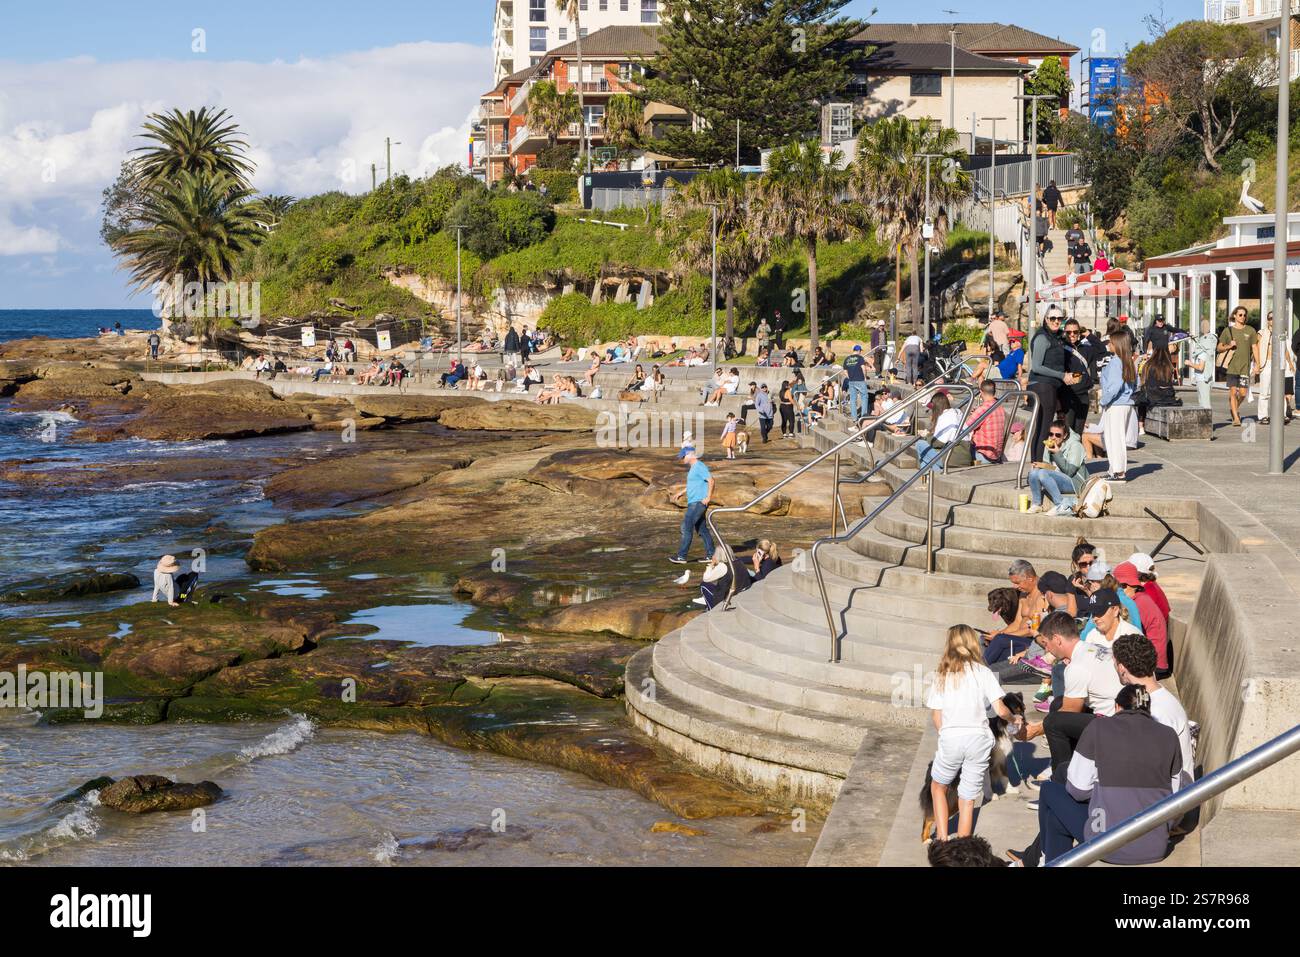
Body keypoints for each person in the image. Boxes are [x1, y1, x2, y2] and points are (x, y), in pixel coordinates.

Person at [1014, 683, 1183, 866]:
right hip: (1155, 845)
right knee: (1058, 814)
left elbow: (1078, 789)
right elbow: (1175, 795)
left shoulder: (1099, 727)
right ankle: (1041, 859)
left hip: (1107, 844)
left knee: (1049, 790)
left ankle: (1042, 858)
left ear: (1117, 707)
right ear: (1147, 710)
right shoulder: (1169, 735)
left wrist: (1102, 792)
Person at [924, 625, 1018, 840]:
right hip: (979, 738)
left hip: (952, 738)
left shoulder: (942, 675)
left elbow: (937, 718)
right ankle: (964, 846)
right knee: (967, 798)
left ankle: (943, 839)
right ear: (973, 644)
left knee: (939, 786)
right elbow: (1001, 710)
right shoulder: (984, 672)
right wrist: (1015, 719)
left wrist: (946, 737)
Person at [1018, 611, 1123, 784]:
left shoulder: (1077, 666)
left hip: (1115, 727)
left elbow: (1068, 714)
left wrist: (1035, 730)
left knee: (1054, 722)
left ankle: (1062, 784)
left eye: (1046, 643)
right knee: (1057, 704)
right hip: (1121, 716)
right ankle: (1075, 765)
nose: (1046, 649)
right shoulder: (1092, 648)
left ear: (1057, 639)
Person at [1113, 634, 1195, 786]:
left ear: (1122, 668)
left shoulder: (1156, 712)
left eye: (1115, 663)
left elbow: (1147, 768)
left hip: (1164, 800)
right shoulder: (1160, 699)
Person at [1027, 310, 1080, 462]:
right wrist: (1062, 376)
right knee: (1044, 428)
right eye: (1053, 318)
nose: (1056, 321)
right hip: (1042, 386)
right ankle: (1037, 464)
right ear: (1046, 319)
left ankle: (1037, 463)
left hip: (1050, 386)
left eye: (1059, 318)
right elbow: (1036, 366)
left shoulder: (1056, 337)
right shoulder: (1042, 338)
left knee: (1043, 427)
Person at [1112, 561, 1169, 676]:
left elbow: (1129, 633)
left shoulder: (1138, 603)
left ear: (1126, 586)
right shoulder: (1141, 597)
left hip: (1154, 665)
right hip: (1155, 660)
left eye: (1118, 587)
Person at [1098, 326, 1137, 482]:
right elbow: (1137, 384)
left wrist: (1104, 400)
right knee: (1117, 438)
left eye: (1111, 342)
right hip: (1126, 403)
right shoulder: (1129, 362)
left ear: (1117, 344)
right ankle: (1114, 470)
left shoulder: (1115, 362)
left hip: (1115, 404)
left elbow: (1114, 386)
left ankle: (1118, 472)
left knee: (1114, 439)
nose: (1108, 345)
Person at [1026, 419, 1087, 513]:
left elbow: (1070, 471)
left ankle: (1060, 505)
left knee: (1042, 473)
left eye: (1058, 435)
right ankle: (1036, 504)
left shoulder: (1075, 446)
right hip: (1059, 478)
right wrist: (1040, 465)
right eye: (1051, 434)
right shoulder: (1050, 444)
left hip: (1075, 482)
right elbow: (1052, 468)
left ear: (1065, 435)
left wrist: (1057, 453)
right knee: (1034, 472)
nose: (1053, 437)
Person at [670, 446, 715, 564]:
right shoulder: (693, 468)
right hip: (694, 502)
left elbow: (711, 480)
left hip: (698, 502)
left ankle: (681, 556)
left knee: (686, 526)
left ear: (690, 455)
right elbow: (693, 483)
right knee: (702, 529)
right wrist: (681, 492)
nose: (682, 459)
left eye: (683, 456)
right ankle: (711, 555)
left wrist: (708, 497)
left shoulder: (699, 466)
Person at [1216, 305, 1259, 427]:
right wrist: (1229, 345)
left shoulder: (1250, 330)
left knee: (1243, 394)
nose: (1243, 317)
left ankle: (1233, 407)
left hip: (1244, 367)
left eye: (1245, 315)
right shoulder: (1227, 331)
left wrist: (1257, 364)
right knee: (1233, 393)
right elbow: (1219, 348)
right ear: (1234, 315)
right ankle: (1236, 417)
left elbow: (1254, 347)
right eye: (1240, 315)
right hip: (1231, 368)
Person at [912, 389, 966, 472]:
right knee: (929, 458)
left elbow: (937, 443)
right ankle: (930, 477)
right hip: (965, 455)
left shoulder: (944, 416)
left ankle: (929, 477)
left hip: (953, 457)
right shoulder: (957, 412)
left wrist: (926, 436)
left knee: (920, 444)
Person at [1257, 312, 1296, 424]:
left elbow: (1284, 350)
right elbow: (1257, 349)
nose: (1272, 320)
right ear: (1267, 320)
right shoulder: (1261, 333)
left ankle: (1282, 415)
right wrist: (1257, 365)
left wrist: (1290, 364)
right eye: (1270, 318)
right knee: (1264, 392)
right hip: (1266, 363)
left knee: (1280, 391)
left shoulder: (1281, 333)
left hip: (1278, 364)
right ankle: (1263, 416)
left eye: (1275, 318)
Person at [1060, 318, 1095, 434]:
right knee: (1067, 431)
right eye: (1069, 332)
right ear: (1064, 332)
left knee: (1079, 432)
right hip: (1068, 395)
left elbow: (1100, 350)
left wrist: (1088, 335)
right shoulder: (1060, 349)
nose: (1072, 335)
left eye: (1075, 332)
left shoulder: (1087, 348)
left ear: (1079, 333)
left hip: (1083, 395)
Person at [1135, 343, 1179, 434]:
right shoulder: (1168, 366)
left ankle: (1141, 426)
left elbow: (1143, 382)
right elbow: (1169, 382)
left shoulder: (1148, 365)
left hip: (1153, 396)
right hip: (1167, 397)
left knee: (1141, 399)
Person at [970, 379, 1006, 464]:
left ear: (981, 392)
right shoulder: (1000, 407)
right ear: (994, 391)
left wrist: (973, 414)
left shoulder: (983, 409)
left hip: (983, 454)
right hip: (996, 454)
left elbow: (966, 427)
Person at [1184, 318, 1218, 410]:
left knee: (1204, 404)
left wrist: (1189, 364)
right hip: (1203, 378)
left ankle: (1206, 423)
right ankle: (1205, 422)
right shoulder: (1208, 346)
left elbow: (1200, 367)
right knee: (1202, 402)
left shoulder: (1203, 351)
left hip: (1203, 379)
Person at [843, 344, 869, 420]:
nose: (861, 352)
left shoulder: (847, 359)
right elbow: (863, 368)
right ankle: (864, 416)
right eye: (860, 351)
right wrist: (865, 377)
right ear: (858, 350)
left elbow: (845, 371)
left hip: (851, 381)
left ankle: (854, 417)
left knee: (853, 399)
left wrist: (849, 377)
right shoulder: (860, 358)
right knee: (864, 397)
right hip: (860, 380)